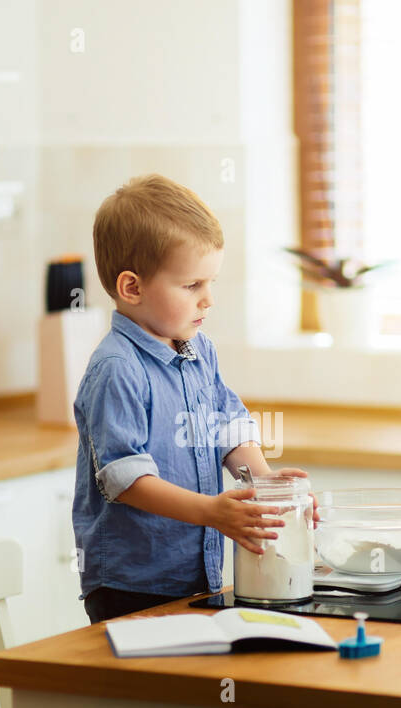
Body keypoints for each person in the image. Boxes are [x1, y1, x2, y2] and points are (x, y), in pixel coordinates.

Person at [73, 173, 310, 624]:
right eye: (192, 286)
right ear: (132, 288)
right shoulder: (118, 369)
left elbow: (228, 427)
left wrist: (265, 487)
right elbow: (125, 479)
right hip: (131, 584)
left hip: (194, 572)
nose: (208, 300)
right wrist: (212, 513)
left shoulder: (199, 350)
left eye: (211, 283)